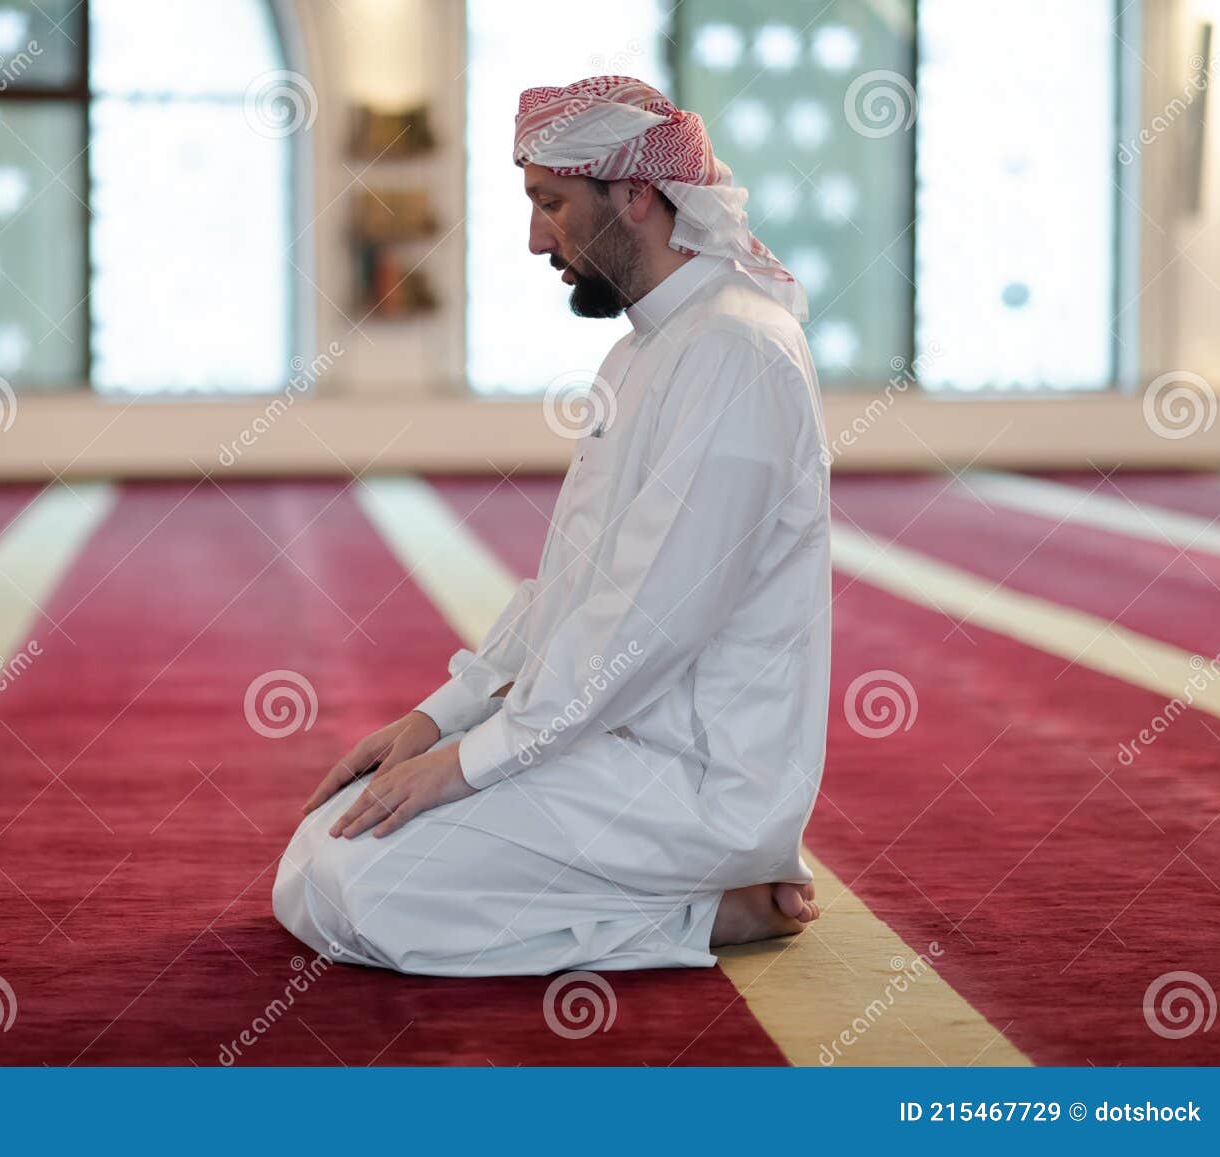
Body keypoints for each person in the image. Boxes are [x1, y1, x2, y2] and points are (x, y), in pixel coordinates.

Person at [274, 76, 831, 976]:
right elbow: (569, 589)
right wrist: (435, 720)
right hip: (605, 739)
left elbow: (651, 621)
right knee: (316, 851)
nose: (538, 238)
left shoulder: (741, 350)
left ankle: (701, 915)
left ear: (636, 194)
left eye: (552, 204)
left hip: (691, 777)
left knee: (360, 887)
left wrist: (469, 763)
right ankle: (681, 906)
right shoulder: (642, 350)